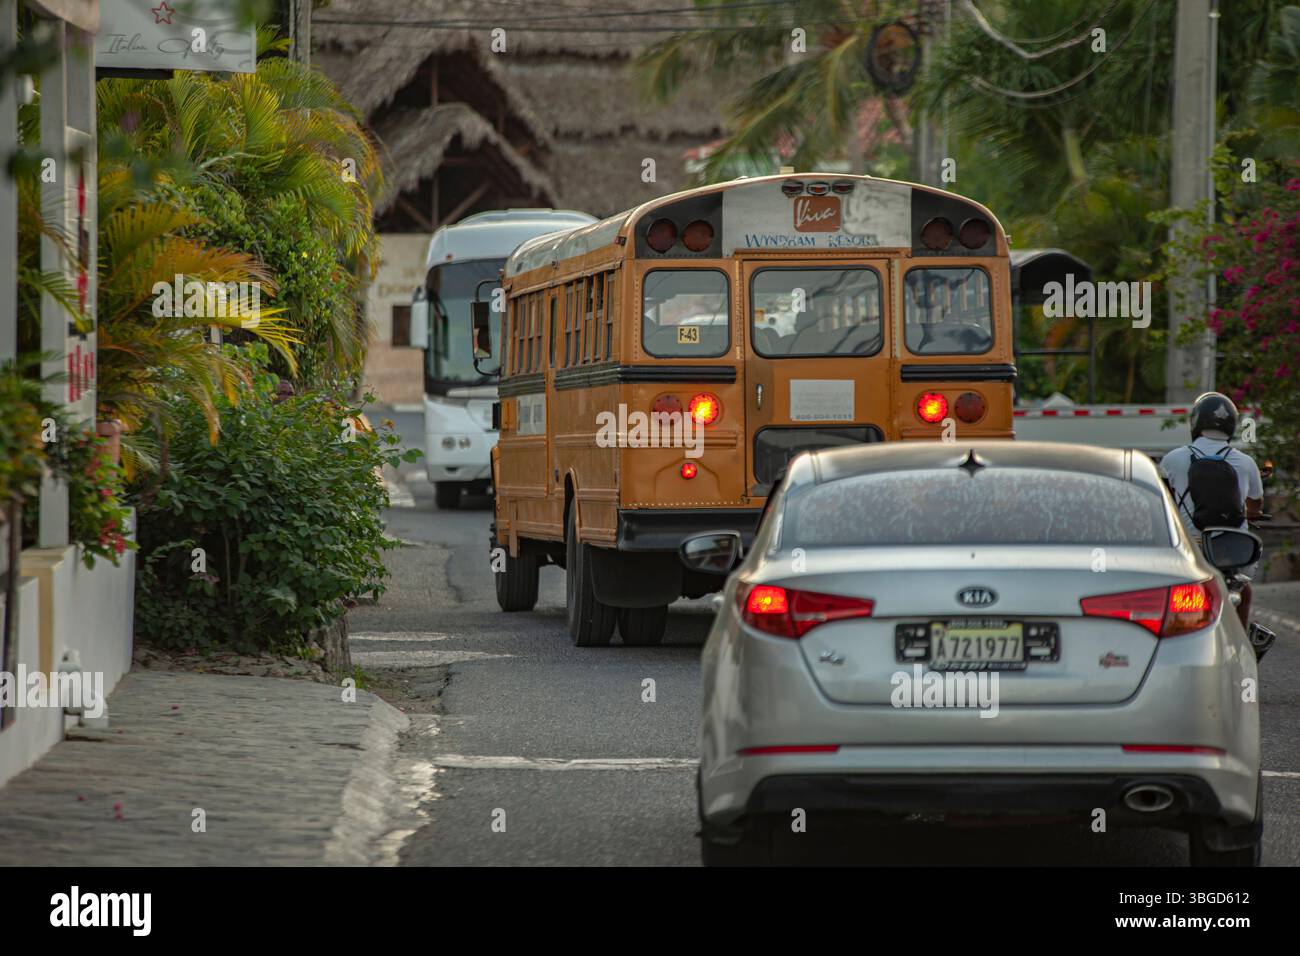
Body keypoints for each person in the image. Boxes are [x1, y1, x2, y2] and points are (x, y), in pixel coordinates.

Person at [1158, 392, 1263, 628]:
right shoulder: (1246, 463)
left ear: (1195, 422)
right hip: (1231, 549)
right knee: (1244, 591)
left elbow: (1163, 500)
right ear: (1231, 425)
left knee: (1177, 592)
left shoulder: (1173, 459)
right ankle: (1242, 644)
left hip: (1190, 548)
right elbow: (1256, 506)